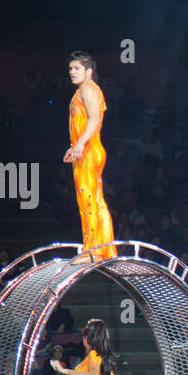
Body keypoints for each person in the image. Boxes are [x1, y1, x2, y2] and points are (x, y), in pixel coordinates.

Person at [65, 51, 118, 259]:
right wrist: (75, 146)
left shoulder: (88, 88)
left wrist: (80, 144)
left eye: (76, 68)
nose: (72, 72)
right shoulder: (85, 90)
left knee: (87, 201)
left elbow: (94, 119)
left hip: (88, 151)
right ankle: (104, 249)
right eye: (71, 68)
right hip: (86, 149)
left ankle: (93, 250)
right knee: (95, 200)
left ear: (88, 71)